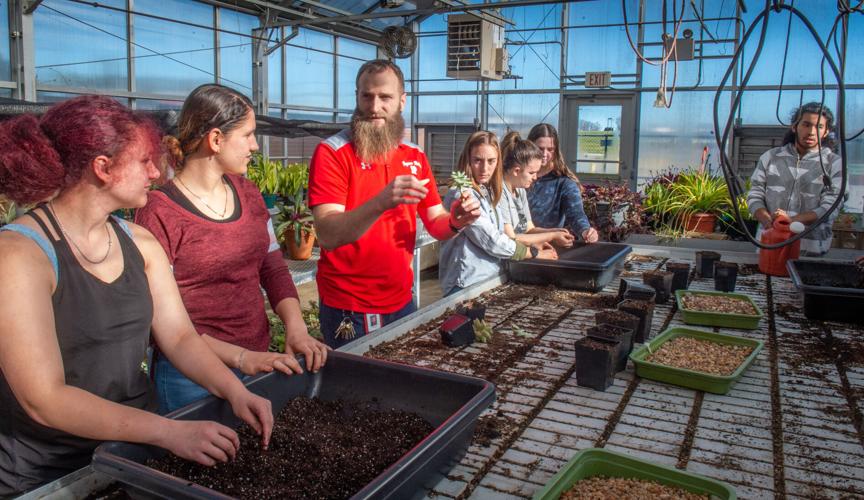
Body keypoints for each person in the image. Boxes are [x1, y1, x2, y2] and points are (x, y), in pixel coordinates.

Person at [0, 96, 273, 495]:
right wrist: (168, 432)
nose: (156, 172)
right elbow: (45, 398)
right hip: (46, 472)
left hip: (129, 451)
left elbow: (180, 338)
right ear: (103, 168)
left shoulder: (139, 243)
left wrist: (235, 391)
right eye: (144, 160)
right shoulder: (19, 256)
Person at [135, 84, 328, 414]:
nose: (255, 146)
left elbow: (272, 266)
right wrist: (241, 357)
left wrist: (295, 328)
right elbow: (163, 324)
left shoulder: (249, 193)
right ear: (215, 140)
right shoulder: (158, 212)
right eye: (248, 135)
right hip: (191, 376)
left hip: (258, 359)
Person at [308, 59, 480, 348]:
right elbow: (327, 234)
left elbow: (436, 219)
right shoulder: (333, 153)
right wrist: (381, 202)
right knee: (357, 386)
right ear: (357, 97)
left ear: (402, 101)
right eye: (367, 96)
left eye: (385, 97)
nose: (374, 107)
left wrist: (456, 221)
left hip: (401, 300)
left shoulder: (414, 156)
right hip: (351, 306)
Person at [438, 131, 558, 297]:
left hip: (487, 280)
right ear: (468, 160)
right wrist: (533, 253)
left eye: (491, 161)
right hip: (465, 284)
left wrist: (535, 244)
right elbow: (492, 240)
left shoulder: (487, 190)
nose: (485, 168)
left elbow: (503, 234)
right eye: (477, 160)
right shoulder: (463, 195)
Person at [747, 102, 843, 256]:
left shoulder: (833, 163)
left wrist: (790, 220)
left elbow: (832, 206)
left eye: (819, 127)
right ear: (794, 127)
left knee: (802, 279)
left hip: (810, 251)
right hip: (770, 245)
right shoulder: (771, 157)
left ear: (826, 132)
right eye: (806, 124)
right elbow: (754, 194)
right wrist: (766, 219)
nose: (811, 132)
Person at [499, 131, 575, 249]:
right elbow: (510, 237)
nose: (535, 177)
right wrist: (552, 235)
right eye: (531, 173)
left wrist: (556, 231)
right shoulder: (500, 192)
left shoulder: (520, 192)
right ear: (516, 171)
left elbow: (529, 229)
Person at [526, 123, 599, 243]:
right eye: (540, 148)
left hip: (549, 246)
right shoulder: (518, 177)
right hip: (515, 244)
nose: (544, 154)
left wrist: (585, 230)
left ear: (556, 150)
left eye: (550, 149)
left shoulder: (563, 182)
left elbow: (575, 213)